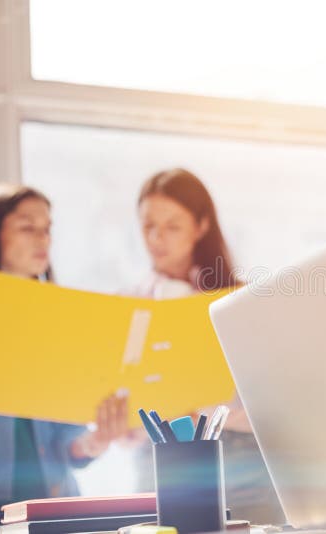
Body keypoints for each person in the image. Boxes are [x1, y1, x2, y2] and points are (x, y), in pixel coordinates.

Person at [0, 184, 129, 532]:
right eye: (27, 227)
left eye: (47, 228)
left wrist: (97, 440)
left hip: (52, 503)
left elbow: (69, 441)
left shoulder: (56, 318)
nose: (42, 238)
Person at [130, 168, 284, 524]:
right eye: (148, 225)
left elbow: (269, 399)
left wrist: (203, 408)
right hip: (159, 469)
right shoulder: (129, 306)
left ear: (201, 226)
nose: (156, 238)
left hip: (241, 467)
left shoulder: (240, 301)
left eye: (172, 226)